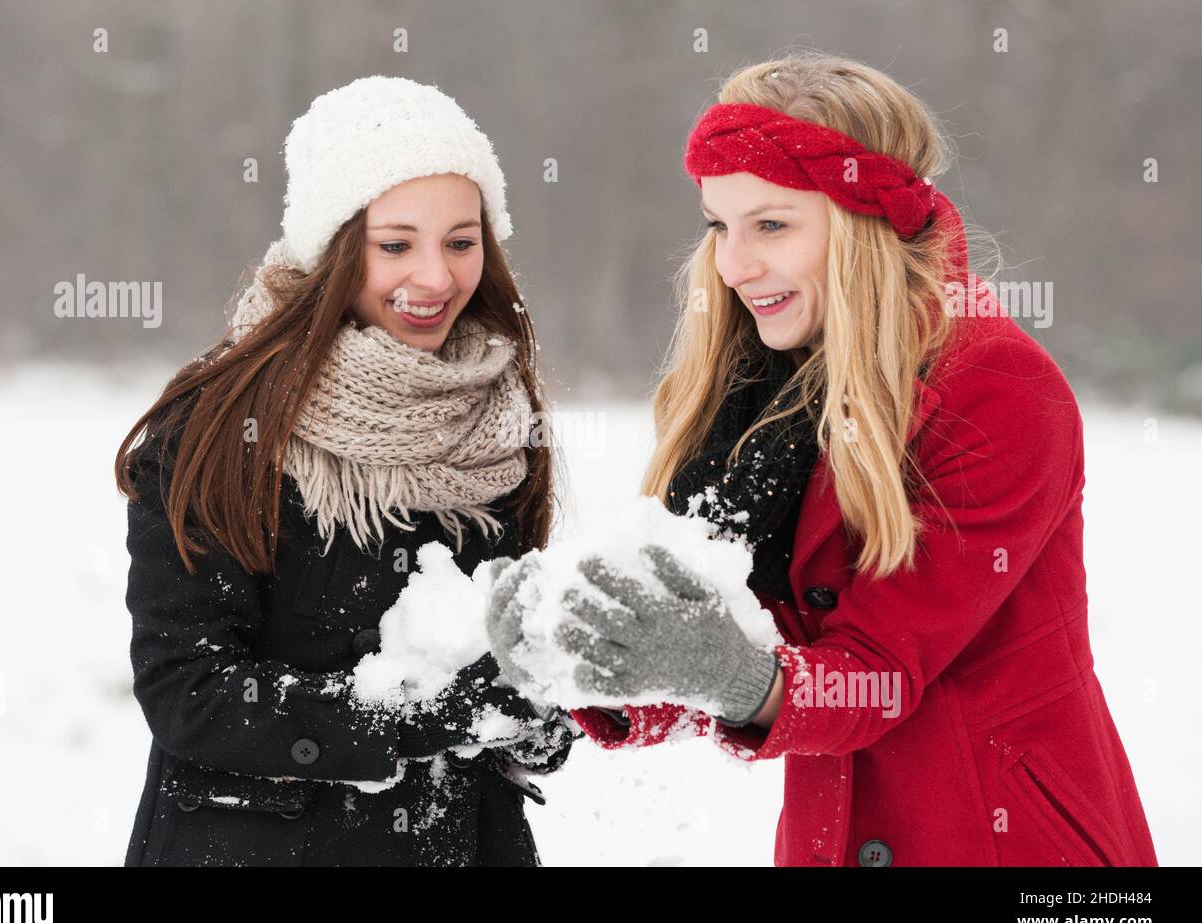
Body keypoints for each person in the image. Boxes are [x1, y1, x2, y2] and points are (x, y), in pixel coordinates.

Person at [488, 53, 1157, 867]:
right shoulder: (765, 384)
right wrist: (588, 660)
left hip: (1002, 840)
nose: (734, 265)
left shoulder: (998, 387)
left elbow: (875, 674)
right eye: (718, 225)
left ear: (862, 220)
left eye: (771, 225)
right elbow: (730, 631)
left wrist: (729, 674)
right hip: (834, 837)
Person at [116, 75, 575, 867]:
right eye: (395, 243)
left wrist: (540, 714)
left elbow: (508, 651)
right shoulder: (222, 423)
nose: (435, 278)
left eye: (461, 242)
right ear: (332, 246)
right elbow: (188, 691)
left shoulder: (497, 415)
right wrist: (417, 716)